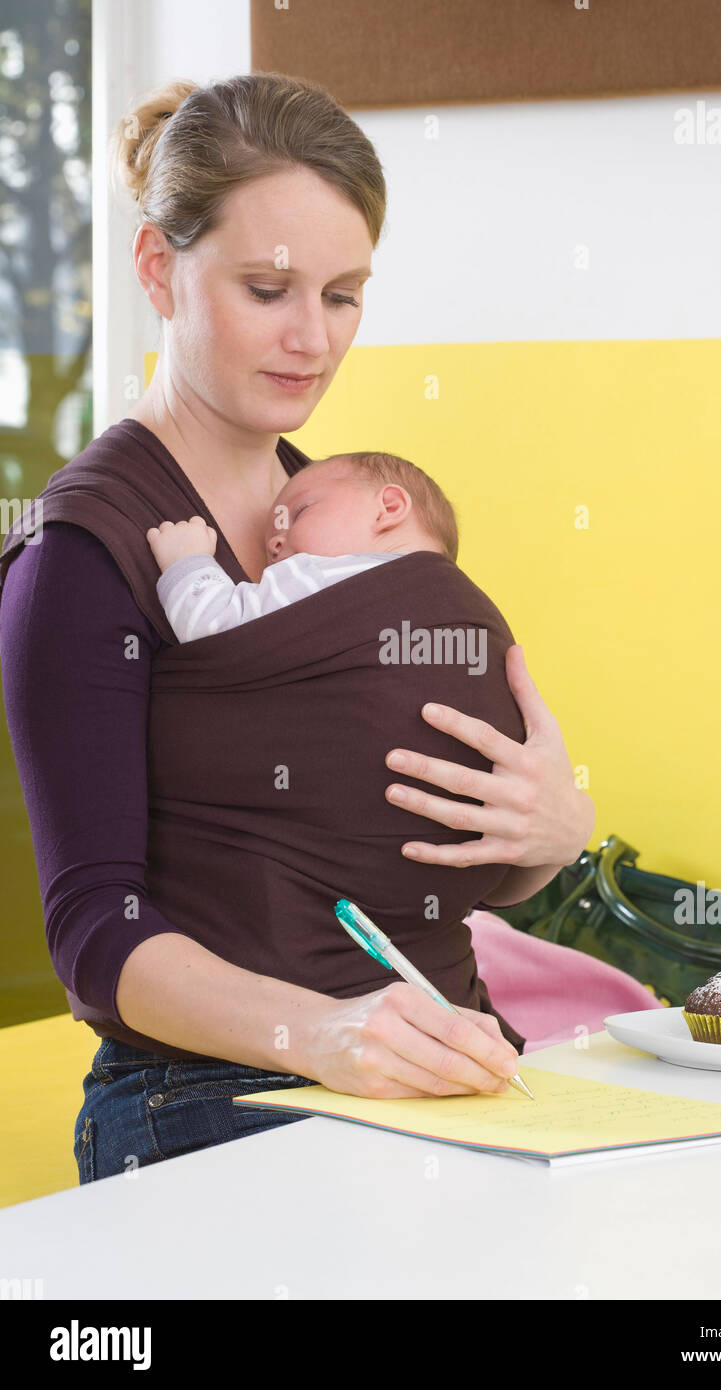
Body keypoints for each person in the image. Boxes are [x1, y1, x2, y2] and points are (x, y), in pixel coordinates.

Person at [0, 73, 594, 1183]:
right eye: (268, 288)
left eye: (343, 293)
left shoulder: (339, 523)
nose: (312, 340)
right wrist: (319, 1034)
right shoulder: (78, 556)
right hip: (210, 1090)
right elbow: (93, 938)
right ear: (156, 270)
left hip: (437, 1053)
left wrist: (546, 839)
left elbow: (412, 840)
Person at [146, 450, 457, 641]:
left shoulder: (319, 576)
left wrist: (187, 561)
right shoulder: (456, 601)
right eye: (269, 547)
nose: (276, 541)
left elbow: (214, 629)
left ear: (388, 507)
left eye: (301, 512)